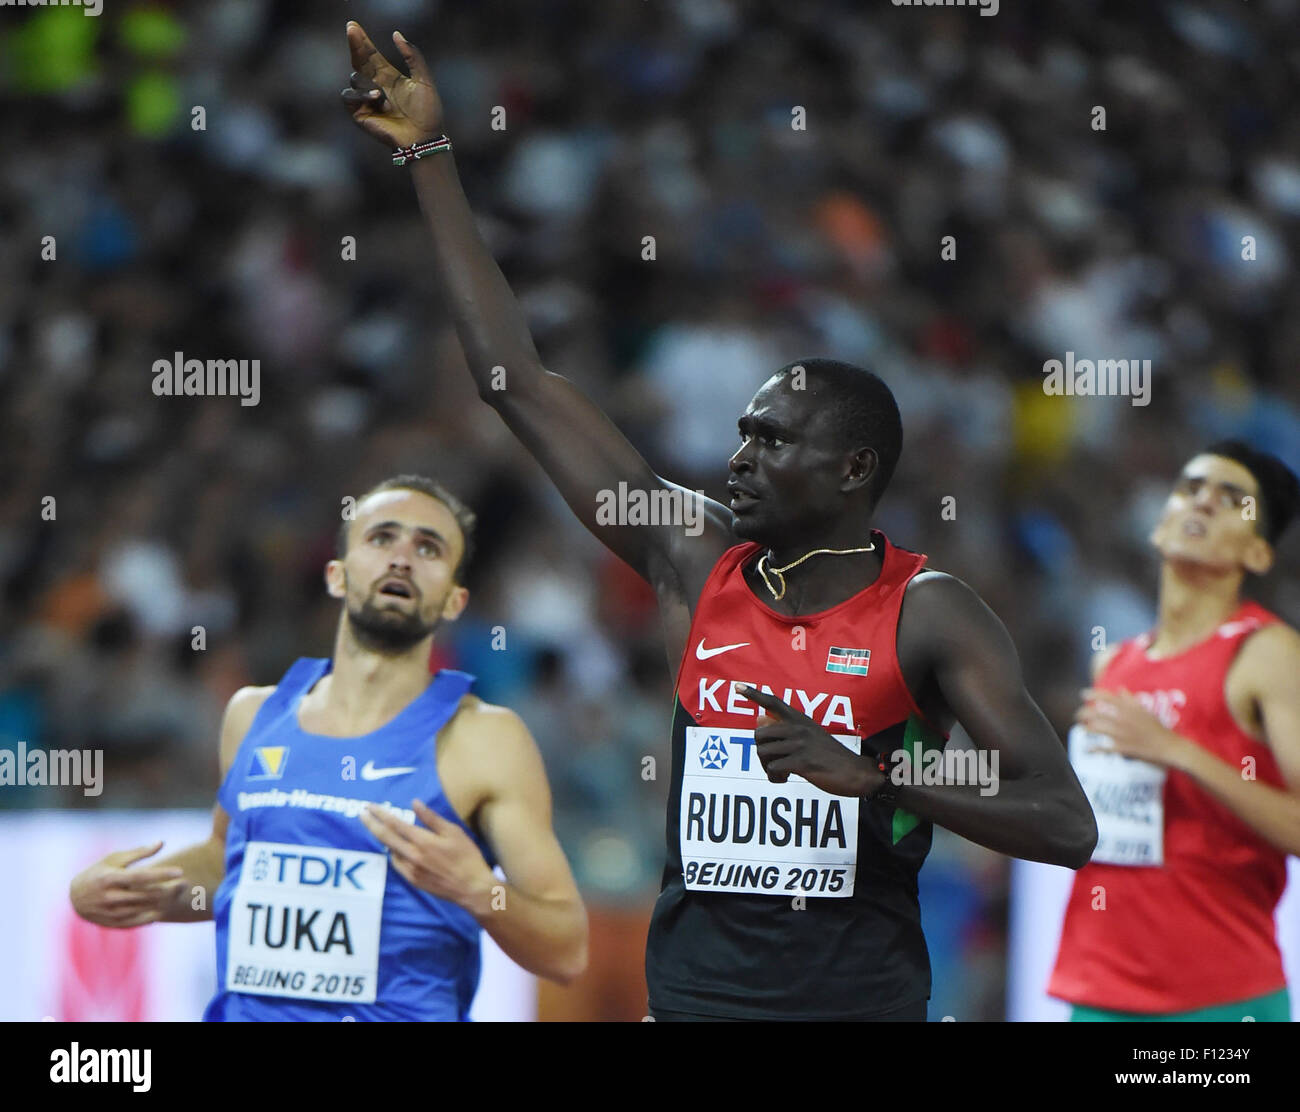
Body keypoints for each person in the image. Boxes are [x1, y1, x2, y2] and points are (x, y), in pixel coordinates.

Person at [340, 23, 1095, 1021]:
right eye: (742, 435)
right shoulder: (692, 554)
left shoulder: (929, 615)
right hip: (692, 1004)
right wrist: (427, 154)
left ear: (853, 468)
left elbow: (1063, 819)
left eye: (773, 441)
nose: (740, 458)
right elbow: (510, 379)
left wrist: (874, 780)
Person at [69, 475, 587, 1021]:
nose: (403, 559)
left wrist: (483, 891)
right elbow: (226, 863)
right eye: (382, 538)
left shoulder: (484, 740)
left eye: (429, 548)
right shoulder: (252, 715)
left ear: (456, 601)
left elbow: (567, 949)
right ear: (337, 576)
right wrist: (130, 893)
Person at [1050, 443, 1300, 1022]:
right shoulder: (1112, 665)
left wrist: (1177, 751)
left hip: (1218, 997)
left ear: (1259, 552)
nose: (1204, 500)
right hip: (1097, 987)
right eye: (1191, 487)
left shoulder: (1266, 653)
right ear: (1160, 523)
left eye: (1232, 498)